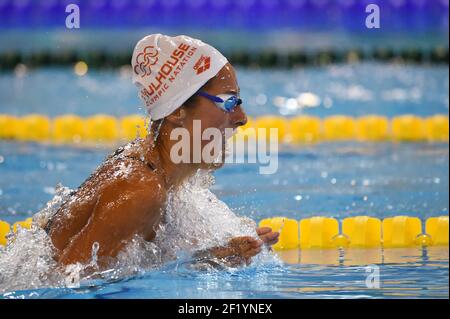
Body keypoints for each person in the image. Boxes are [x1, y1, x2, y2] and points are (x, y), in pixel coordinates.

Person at [44, 34, 279, 269]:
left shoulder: (155, 174)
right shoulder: (141, 190)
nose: (242, 118)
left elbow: (145, 261)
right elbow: (64, 286)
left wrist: (222, 255)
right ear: (176, 110)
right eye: (228, 102)